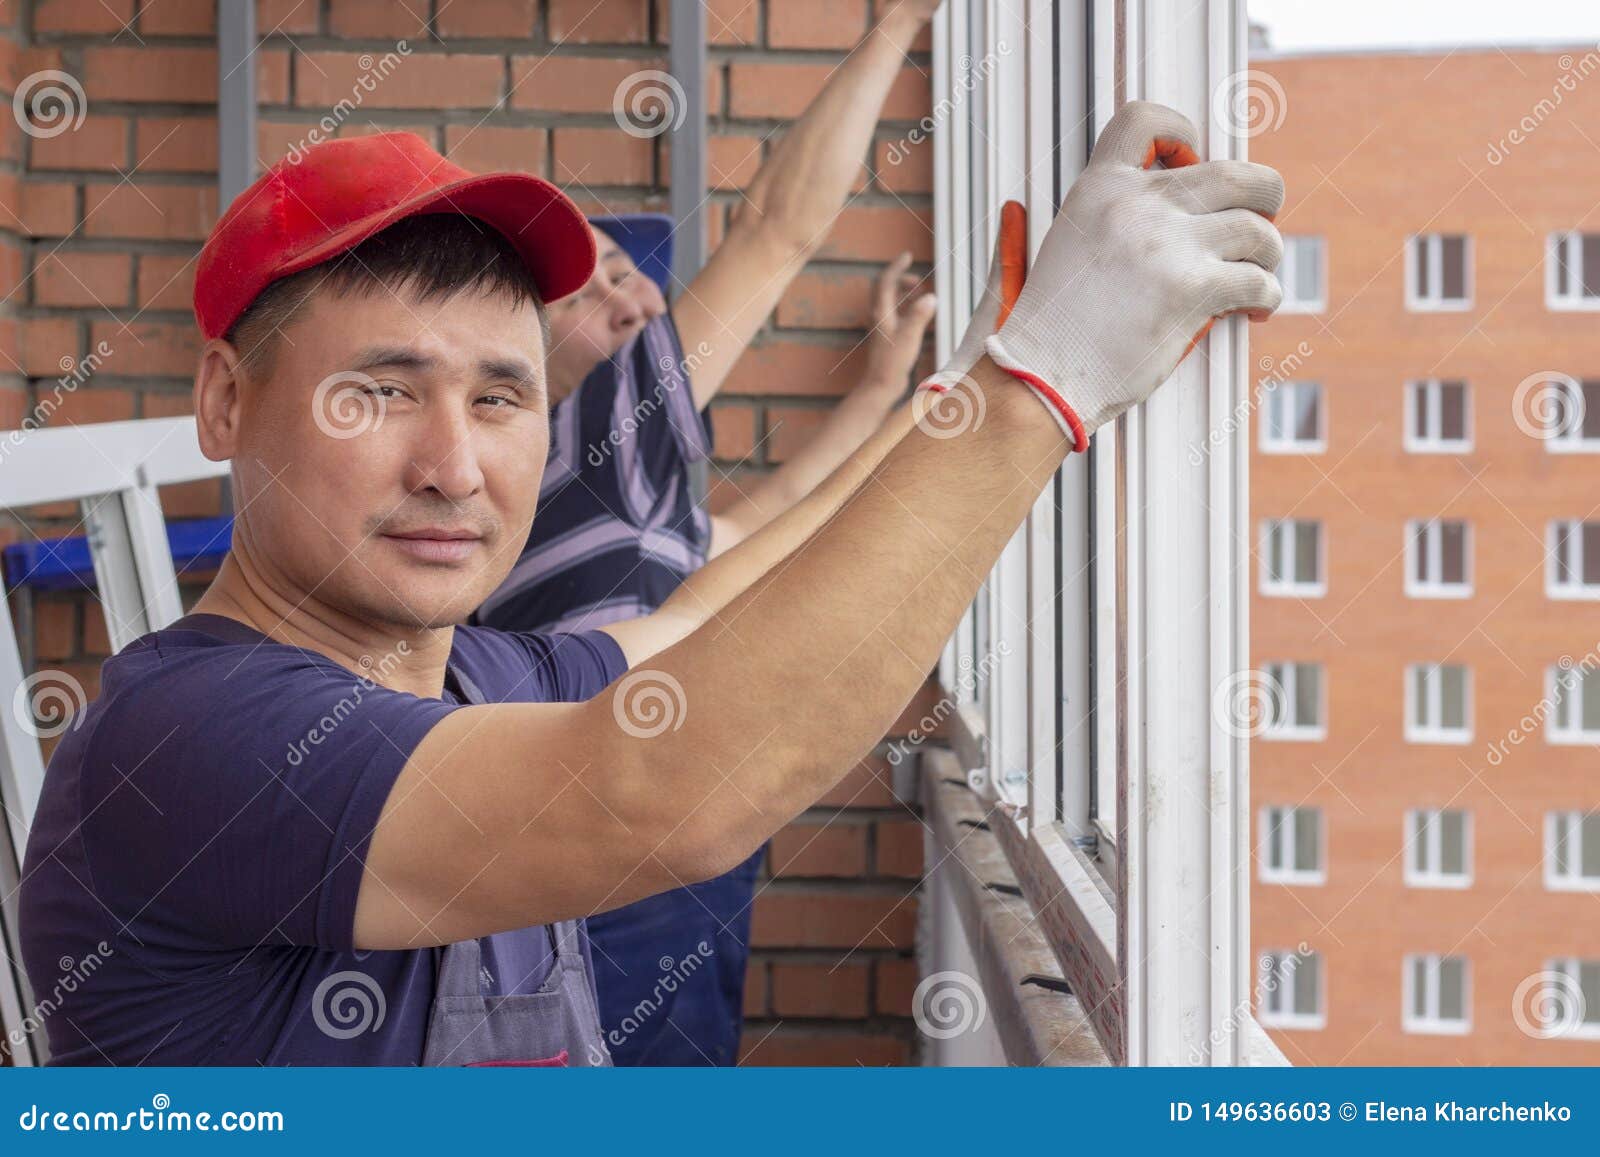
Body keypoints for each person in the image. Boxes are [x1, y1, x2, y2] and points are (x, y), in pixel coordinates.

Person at [18, 96, 1284, 1064]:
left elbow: (701, 619)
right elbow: (662, 786)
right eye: (383, 390)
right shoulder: (184, 739)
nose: (454, 466)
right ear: (227, 402)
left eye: (502, 396)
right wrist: (1040, 389)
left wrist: (964, 384)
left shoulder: (484, 673)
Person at [475, 2, 941, 1066]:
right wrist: (894, 27)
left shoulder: (619, 505)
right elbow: (776, 229)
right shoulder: (576, 433)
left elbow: (766, 520)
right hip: (617, 868)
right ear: (521, 349)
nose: (630, 293)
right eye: (583, 289)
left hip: (653, 853)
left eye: (623, 266)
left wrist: (882, 383)